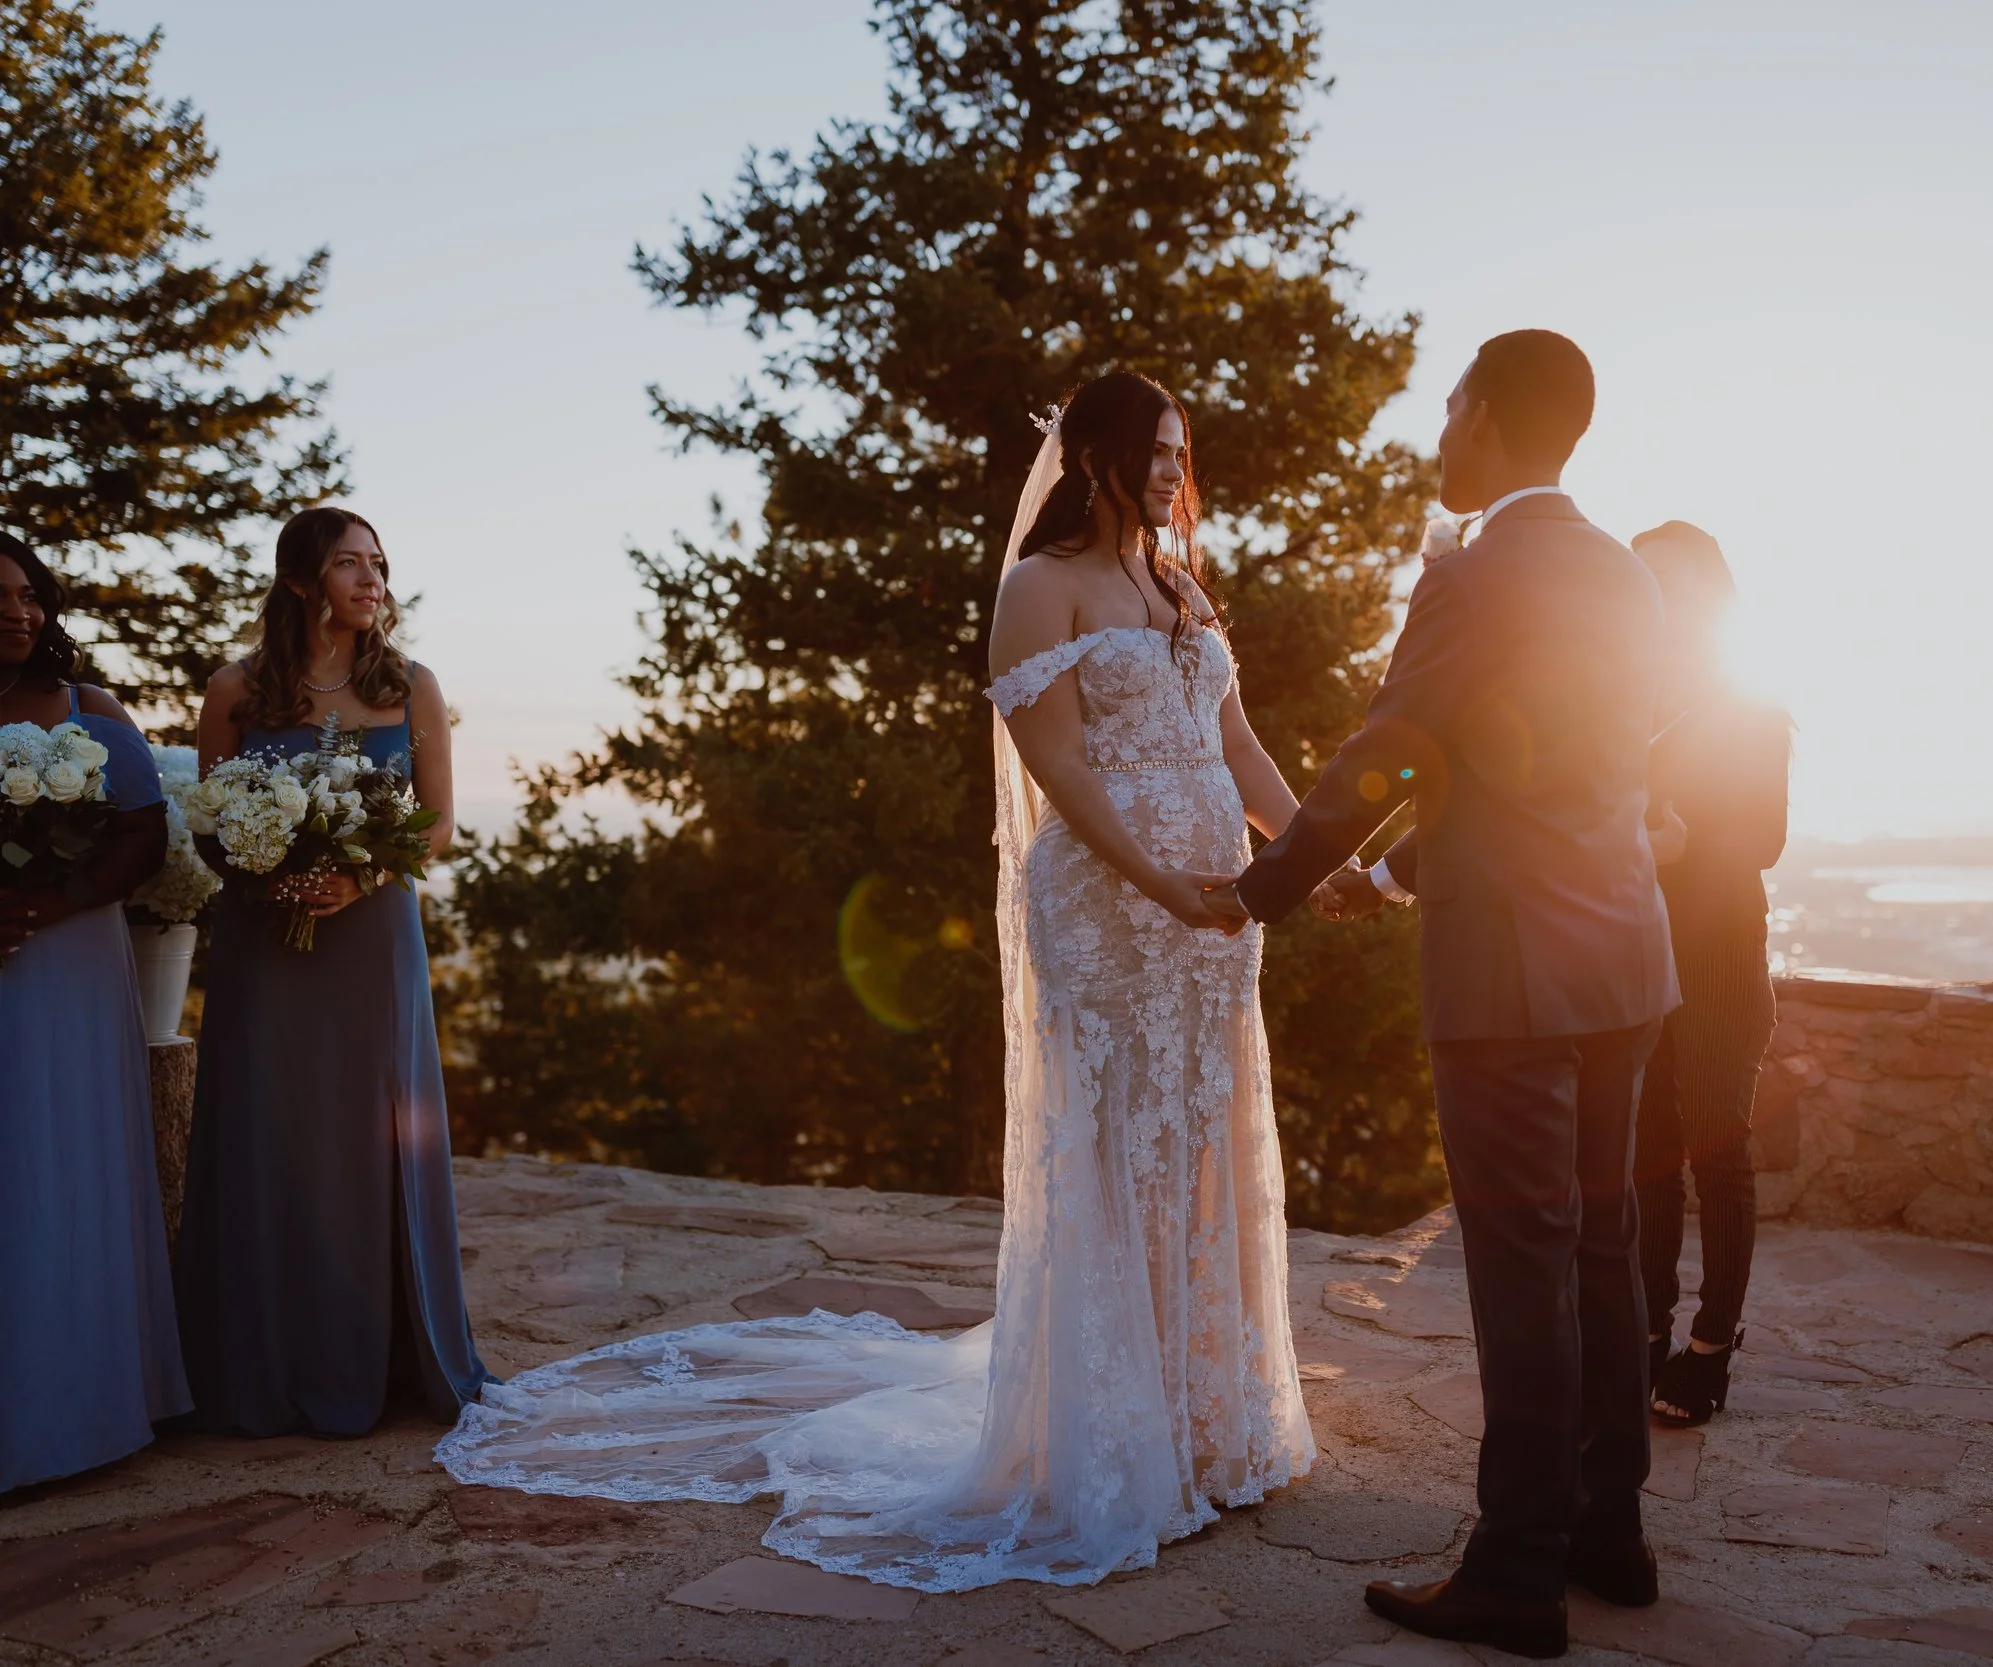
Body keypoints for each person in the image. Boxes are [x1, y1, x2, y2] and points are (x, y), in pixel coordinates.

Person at [435, 372, 1314, 1592]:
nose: (1172, 468)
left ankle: (1206, 1414)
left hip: (1215, 925)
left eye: (1181, 449)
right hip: (1114, 912)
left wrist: (1321, 855)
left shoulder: (1181, 590)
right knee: (1115, 1150)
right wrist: (1161, 880)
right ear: (1096, 456)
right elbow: (1057, 764)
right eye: (1151, 449)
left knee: (1200, 1144)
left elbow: (1236, 744)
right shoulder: (1037, 587)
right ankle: (1113, 1435)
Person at [1210, 330, 1677, 1661]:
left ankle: (1518, 1570)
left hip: (1515, 975)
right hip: (1625, 958)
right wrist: (1404, 872)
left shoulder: (1472, 572)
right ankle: (1611, 1533)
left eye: (1453, 403)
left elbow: (1391, 745)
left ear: (1493, 418)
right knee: (1601, 1249)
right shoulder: (1630, 572)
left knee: (1526, 1267)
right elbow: (1559, 762)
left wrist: (1271, 884)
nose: (1441, 428)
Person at [175, 506, 489, 1436]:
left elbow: (437, 824)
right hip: (264, 944)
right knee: (265, 1127)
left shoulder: (411, 684)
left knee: (369, 1134)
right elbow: (210, 820)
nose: (372, 581)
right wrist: (269, 865)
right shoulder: (235, 689)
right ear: (303, 579)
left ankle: (383, 1356)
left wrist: (360, 875)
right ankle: (258, 1367)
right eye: (350, 564)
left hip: (373, 936)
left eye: (380, 565)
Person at [0, 531, 191, 1490]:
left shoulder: (90, 709)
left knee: (61, 1161)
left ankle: (80, 1402)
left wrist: (38, 904)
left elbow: (141, 840)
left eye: (31, 594)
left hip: (66, 959)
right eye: (0, 595)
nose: (19, 611)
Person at [1627, 521, 1788, 1427]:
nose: (1659, 597)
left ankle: (1711, 1344)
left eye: (1673, 582)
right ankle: (1646, 1333)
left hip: (1722, 947)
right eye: (1643, 581)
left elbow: (1764, 836)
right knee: (1647, 1154)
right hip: (1639, 943)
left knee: (1719, 1149)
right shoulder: (1624, 695)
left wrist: (1684, 840)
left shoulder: (1749, 703)